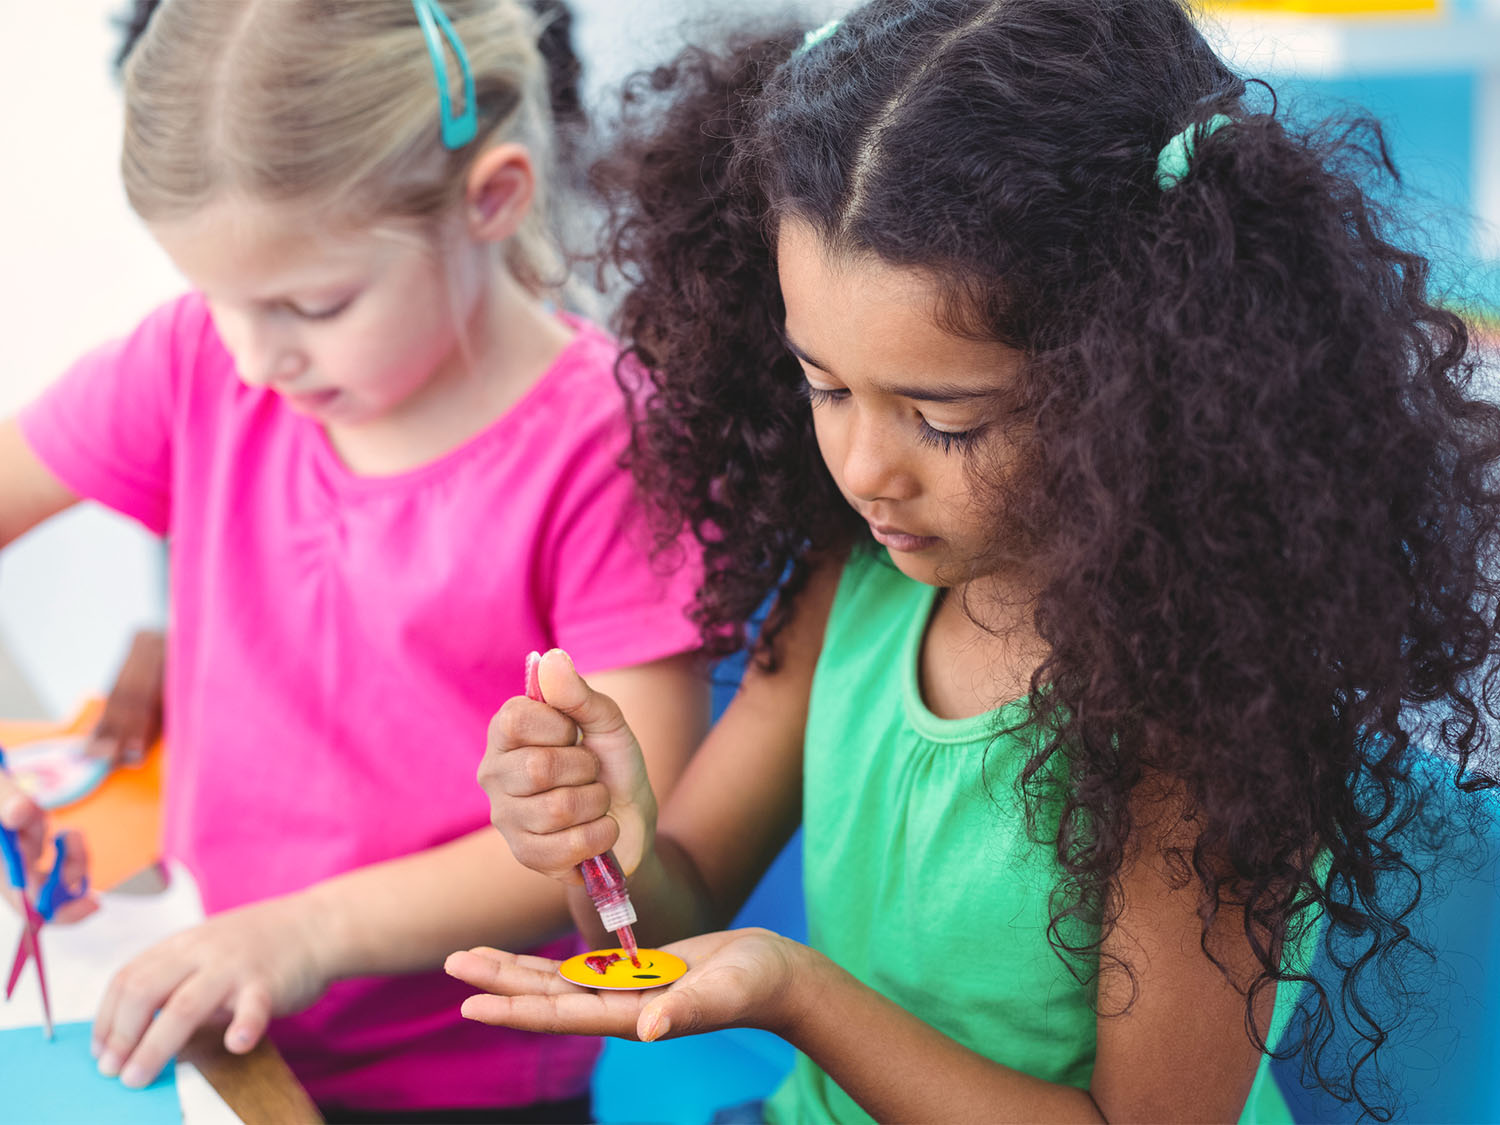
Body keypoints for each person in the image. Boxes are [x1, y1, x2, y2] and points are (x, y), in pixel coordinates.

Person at [444, 0, 1500, 1121]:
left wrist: (801, 995)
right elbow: (671, 925)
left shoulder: (1198, 731)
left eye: (945, 422)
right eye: (824, 385)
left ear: (1145, 377)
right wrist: (607, 843)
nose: (864, 469)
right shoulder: (848, 582)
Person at [0, 0, 708, 1120]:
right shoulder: (200, 360)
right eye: (219, 299)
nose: (257, 353)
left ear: (493, 199)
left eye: (312, 304)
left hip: (466, 1080)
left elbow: (621, 831)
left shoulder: (607, 445)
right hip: (202, 1040)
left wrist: (304, 933)